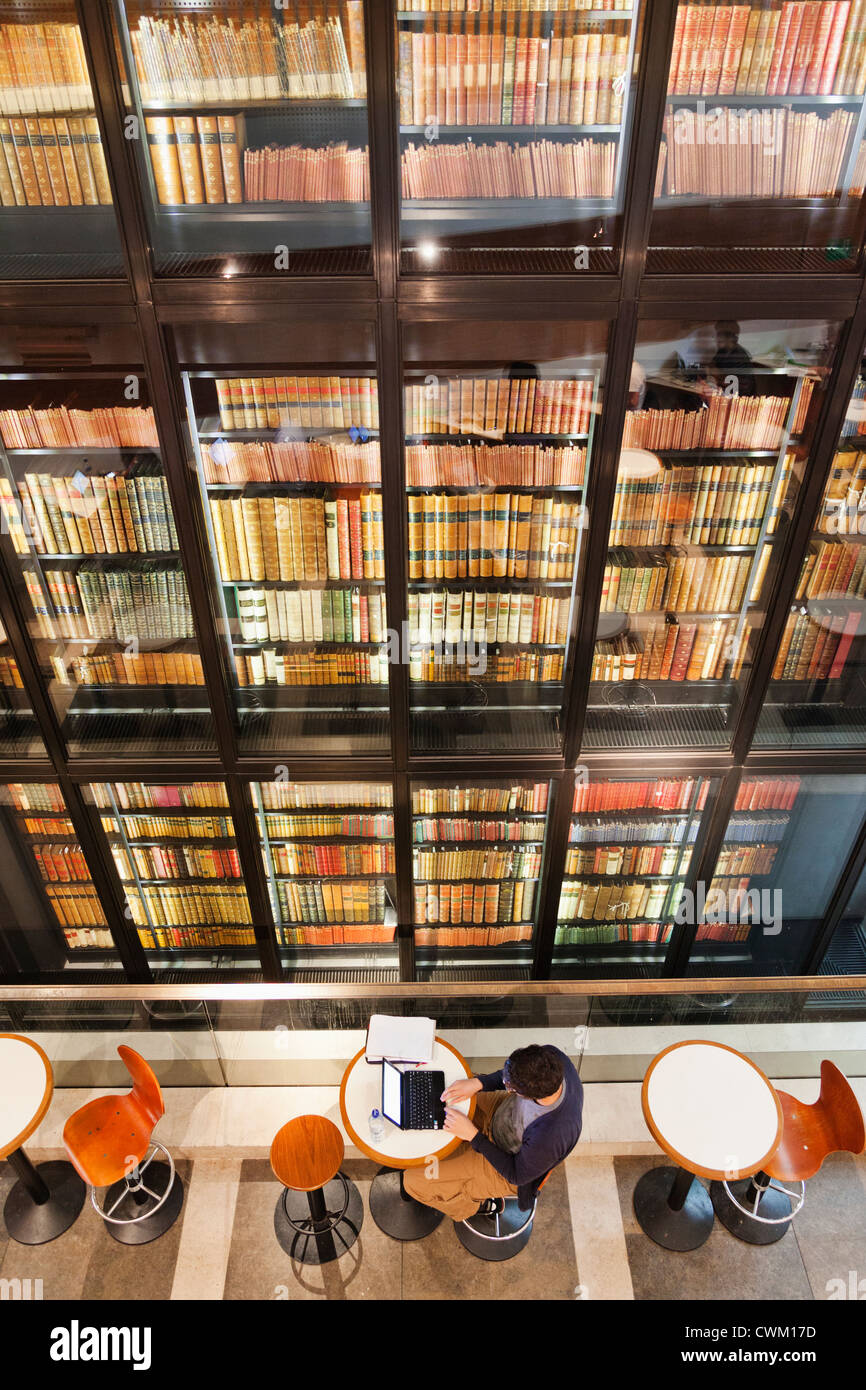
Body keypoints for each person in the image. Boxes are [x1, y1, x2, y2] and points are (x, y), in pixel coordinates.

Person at [402, 1044, 583, 1221]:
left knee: (413, 1182)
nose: (504, 1082)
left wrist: (473, 1136)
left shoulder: (551, 1136)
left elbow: (516, 1175)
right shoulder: (551, 1058)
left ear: (529, 1095)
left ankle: (474, 1206)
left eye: (509, 1085)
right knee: (443, 1094)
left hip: (506, 1164)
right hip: (501, 1113)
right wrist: (479, 1083)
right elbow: (511, 1076)